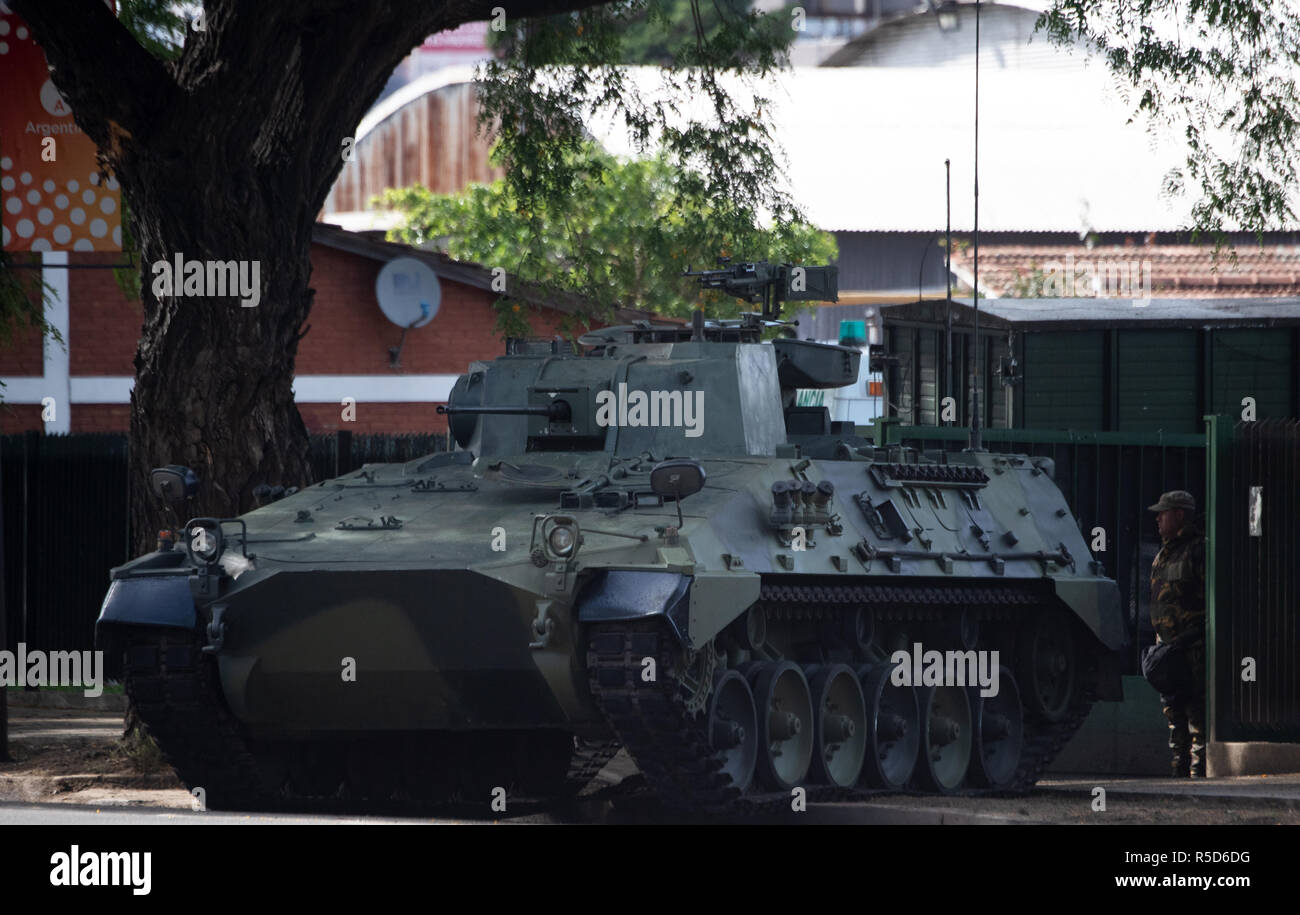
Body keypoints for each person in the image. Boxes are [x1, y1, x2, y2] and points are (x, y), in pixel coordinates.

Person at [1148, 490, 1207, 778]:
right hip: (1167, 648)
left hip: (1191, 646)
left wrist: (1194, 635)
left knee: (1196, 711)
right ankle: (1179, 770)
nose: (1158, 517)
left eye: (1164, 512)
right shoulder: (1164, 552)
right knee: (1173, 712)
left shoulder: (1198, 550)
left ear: (1180, 515)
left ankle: (1199, 772)